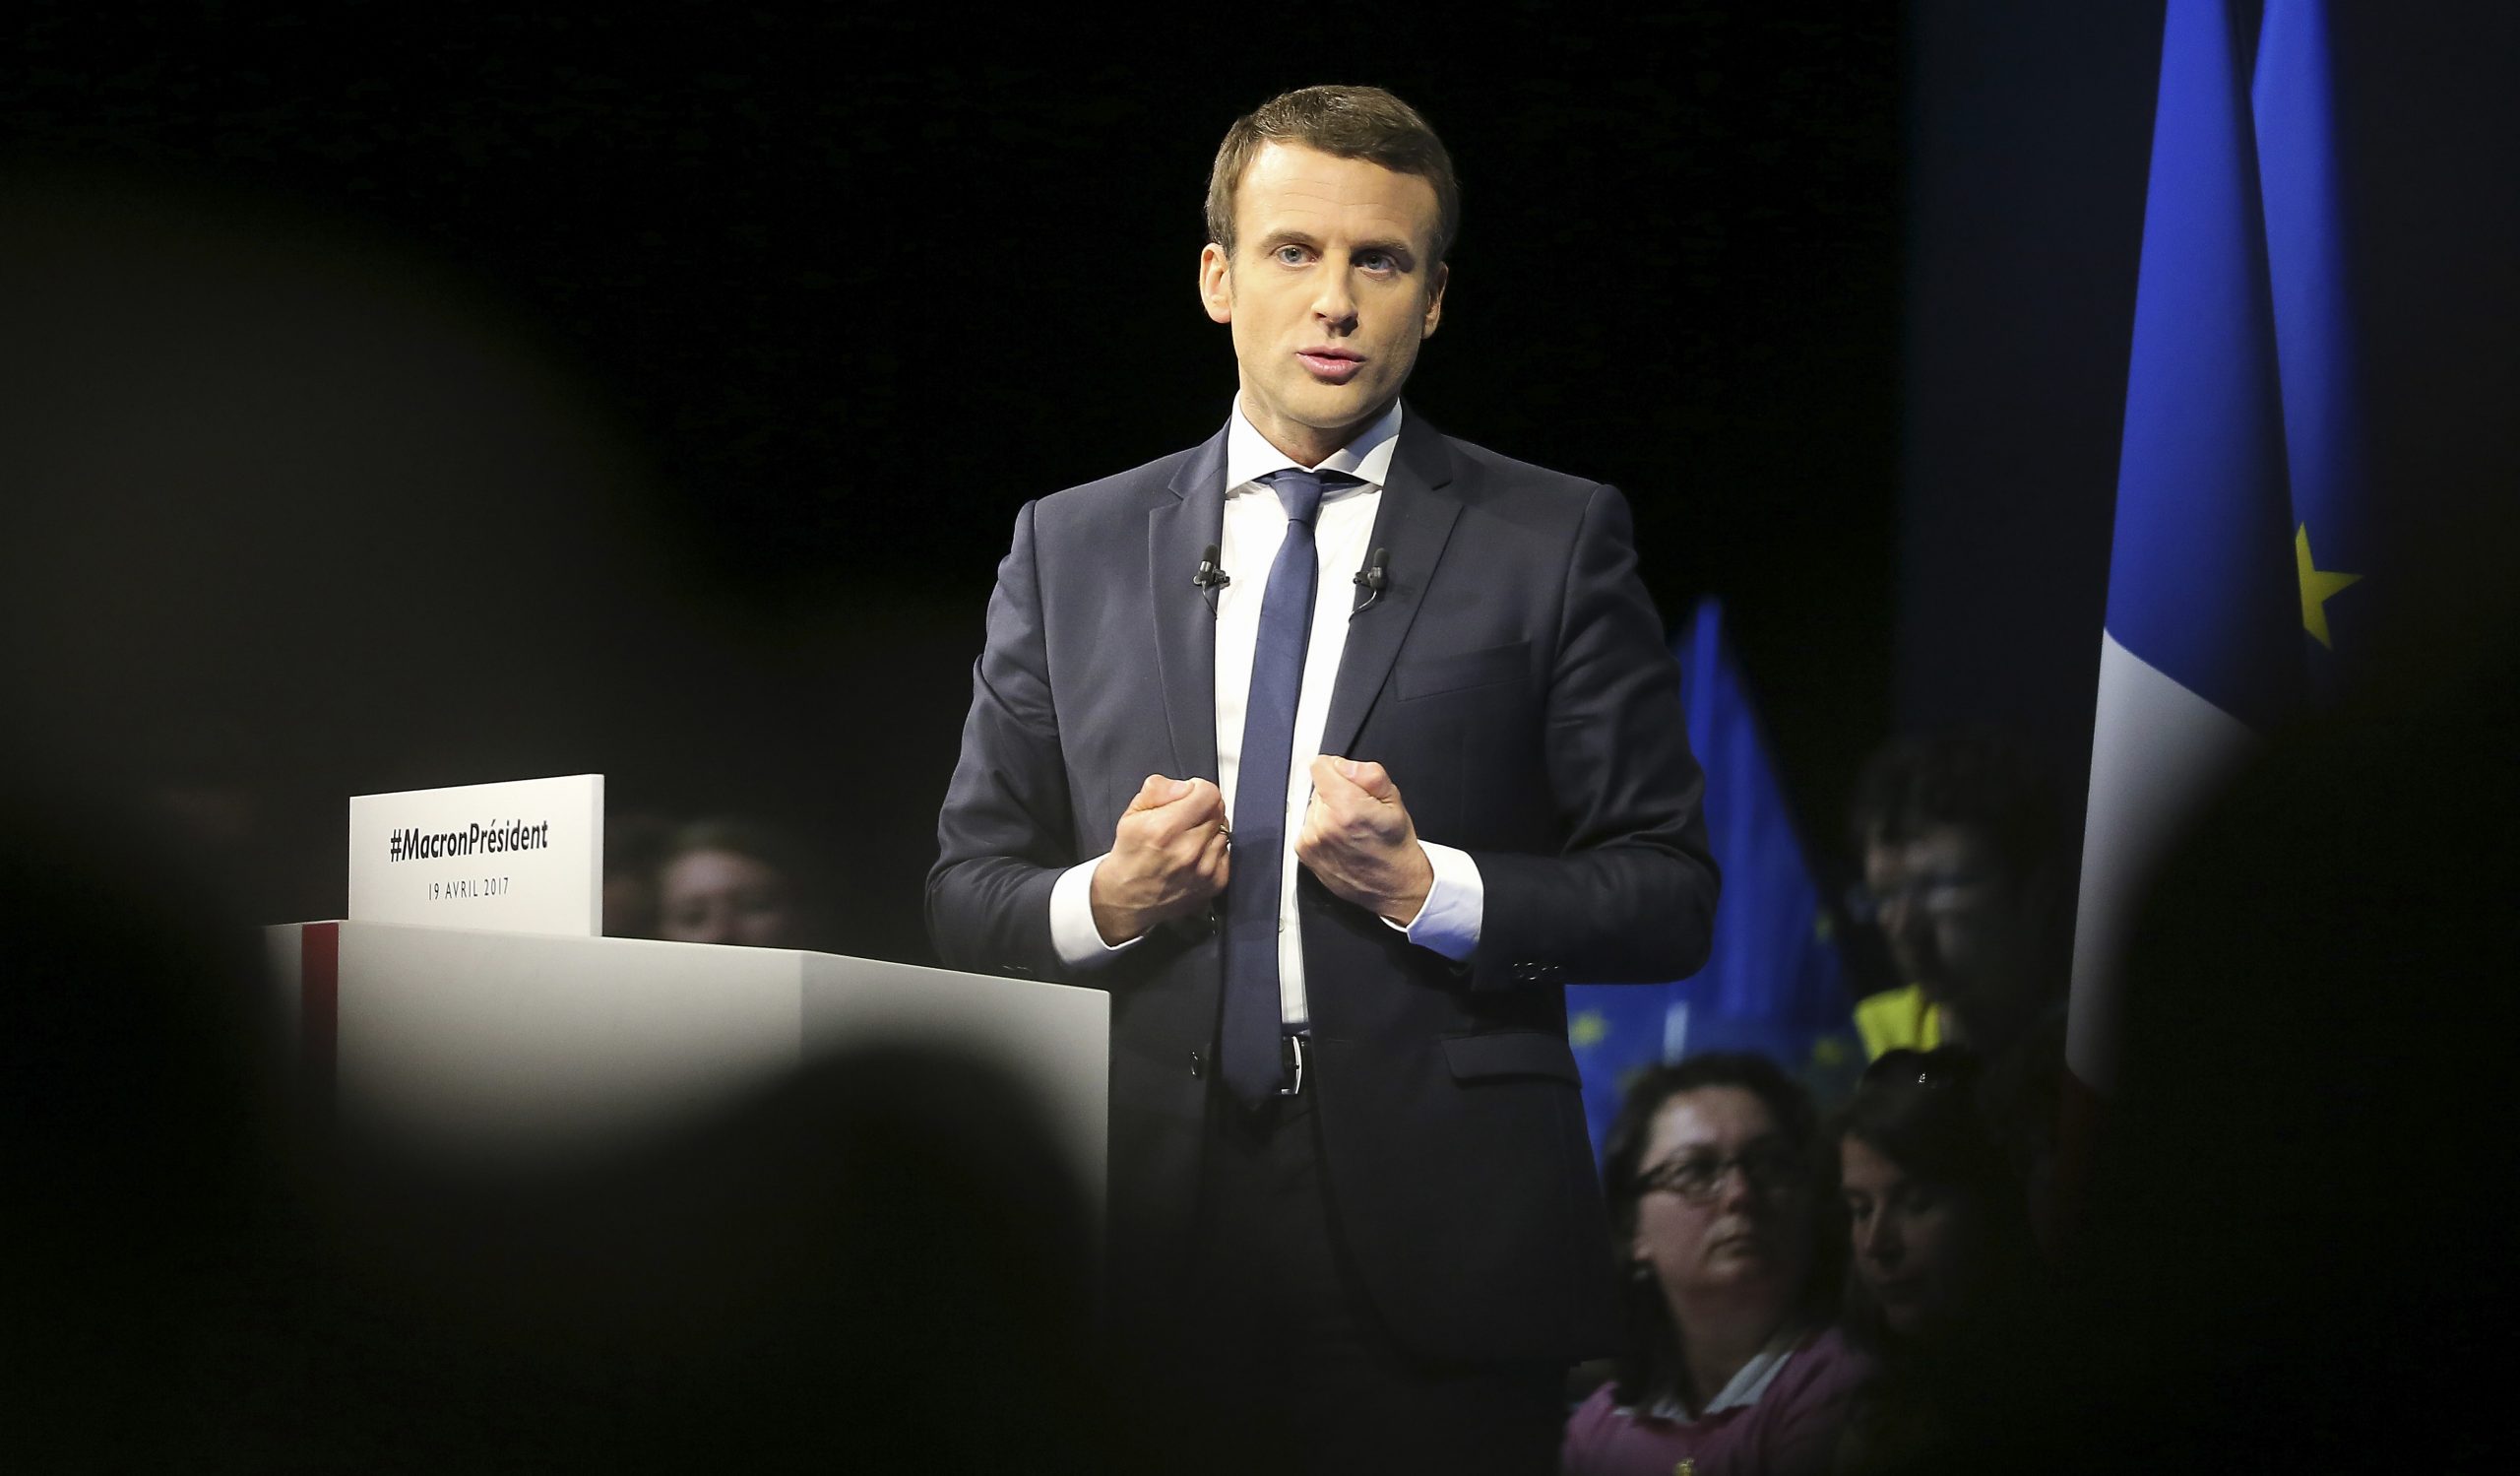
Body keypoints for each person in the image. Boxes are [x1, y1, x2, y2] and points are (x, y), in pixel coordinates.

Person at [928, 85, 1719, 1473]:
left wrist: (1436, 888)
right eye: (1295, 251)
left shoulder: (1555, 538)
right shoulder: (1070, 547)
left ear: (1435, 299)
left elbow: (1666, 892)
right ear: (1218, 278)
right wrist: (1104, 899)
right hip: (1142, 1237)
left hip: (1443, 1246)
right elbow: (963, 899)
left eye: (1382, 260)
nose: (1337, 300)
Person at [1562, 1054, 1869, 1476]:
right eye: (1696, 1170)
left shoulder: (1848, 1384)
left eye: (1770, 1164)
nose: (1740, 1194)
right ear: (1634, 1228)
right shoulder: (1601, 1423)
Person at [1831, 1047, 2048, 1472]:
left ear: (1992, 1203)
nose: (1877, 1244)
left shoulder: (2050, 1403)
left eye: (1917, 1203)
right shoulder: (1868, 1401)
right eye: (1861, 1210)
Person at [1844, 733, 2068, 1064]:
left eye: (1938, 888)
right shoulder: (1873, 1045)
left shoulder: (2098, 1048)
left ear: (2036, 892)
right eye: (1884, 897)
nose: (1903, 928)